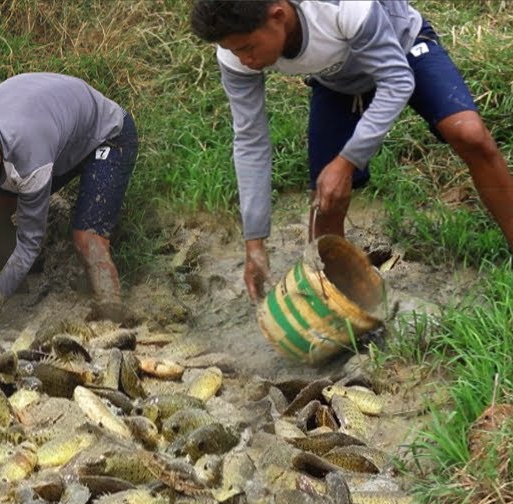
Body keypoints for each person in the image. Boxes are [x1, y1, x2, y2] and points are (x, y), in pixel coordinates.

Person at [190, 0, 513, 303]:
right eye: (234, 51)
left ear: (278, 15)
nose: (244, 60)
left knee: (470, 135)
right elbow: (250, 140)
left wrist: (346, 162)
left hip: (403, 48)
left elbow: (397, 80)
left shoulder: (342, 7)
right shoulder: (235, 51)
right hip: (338, 80)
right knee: (325, 202)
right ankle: (343, 310)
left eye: (248, 48)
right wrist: (254, 240)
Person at [0, 72, 138, 343]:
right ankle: (21, 294)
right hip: (56, 132)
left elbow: (29, 243)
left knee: (87, 237)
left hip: (107, 136)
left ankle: (113, 327)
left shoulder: (30, 156)